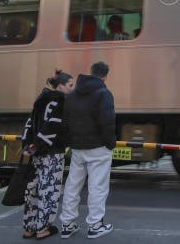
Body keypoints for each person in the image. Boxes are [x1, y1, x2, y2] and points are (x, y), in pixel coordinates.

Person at [58, 61, 115, 239]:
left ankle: (67, 224)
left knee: (72, 185)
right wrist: (109, 143)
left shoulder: (73, 94)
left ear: (91, 73)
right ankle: (95, 225)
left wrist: (71, 141)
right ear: (105, 76)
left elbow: (65, 121)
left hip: (77, 148)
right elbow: (107, 121)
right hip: (98, 147)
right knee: (97, 186)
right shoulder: (103, 93)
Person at [20, 69, 74, 240]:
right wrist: (39, 145)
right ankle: (43, 228)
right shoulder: (62, 101)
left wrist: (29, 146)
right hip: (52, 152)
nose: (72, 89)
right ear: (60, 86)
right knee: (48, 190)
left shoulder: (41, 99)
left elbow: (29, 124)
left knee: (32, 189)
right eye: (70, 85)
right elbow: (54, 126)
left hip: (35, 152)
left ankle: (29, 227)